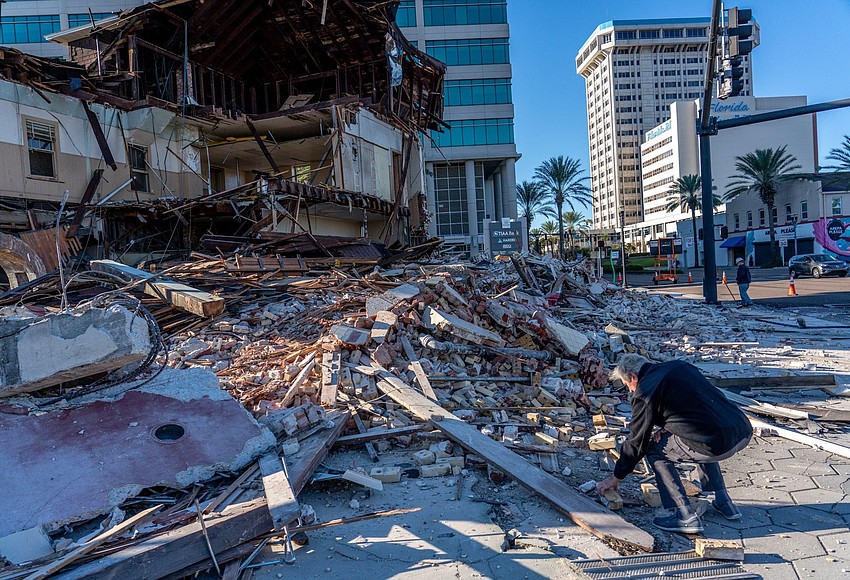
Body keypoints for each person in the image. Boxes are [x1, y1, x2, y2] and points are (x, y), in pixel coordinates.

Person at [596, 354, 753, 534]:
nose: (631, 391)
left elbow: (637, 440)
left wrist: (617, 476)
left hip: (716, 445)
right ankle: (724, 502)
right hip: (741, 431)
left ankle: (685, 515)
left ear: (633, 377)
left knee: (654, 450)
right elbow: (696, 407)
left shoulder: (644, 392)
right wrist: (671, 426)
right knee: (703, 434)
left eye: (627, 385)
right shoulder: (679, 367)